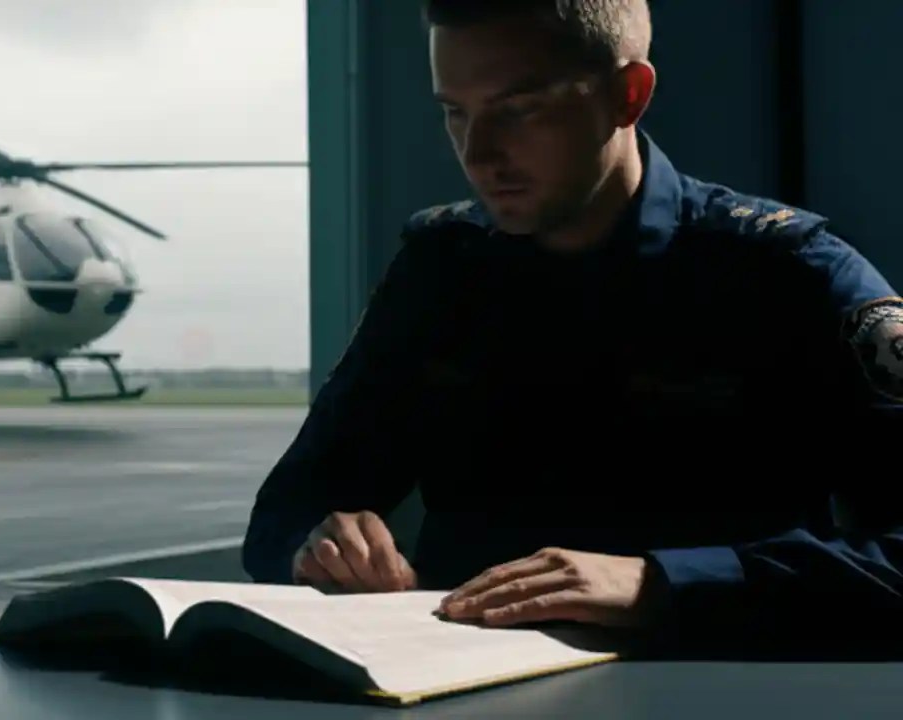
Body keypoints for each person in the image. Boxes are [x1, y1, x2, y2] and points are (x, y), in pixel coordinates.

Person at [242, 0, 903, 659]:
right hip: (460, 688)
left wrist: (658, 583)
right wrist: (321, 548)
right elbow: (287, 510)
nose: (479, 154)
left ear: (628, 95)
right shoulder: (440, 270)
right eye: (456, 112)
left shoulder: (787, 272)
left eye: (519, 108)